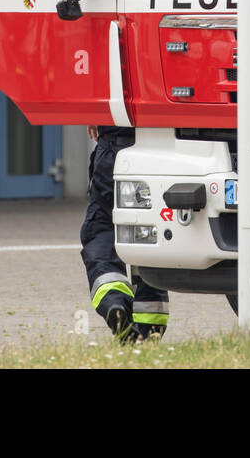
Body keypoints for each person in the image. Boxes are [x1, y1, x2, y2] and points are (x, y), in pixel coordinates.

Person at [81, 124, 170, 341]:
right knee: (149, 233)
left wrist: (95, 112)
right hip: (161, 151)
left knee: (102, 230)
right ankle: (150, 329)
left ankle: (114, 300)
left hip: (114, 149)